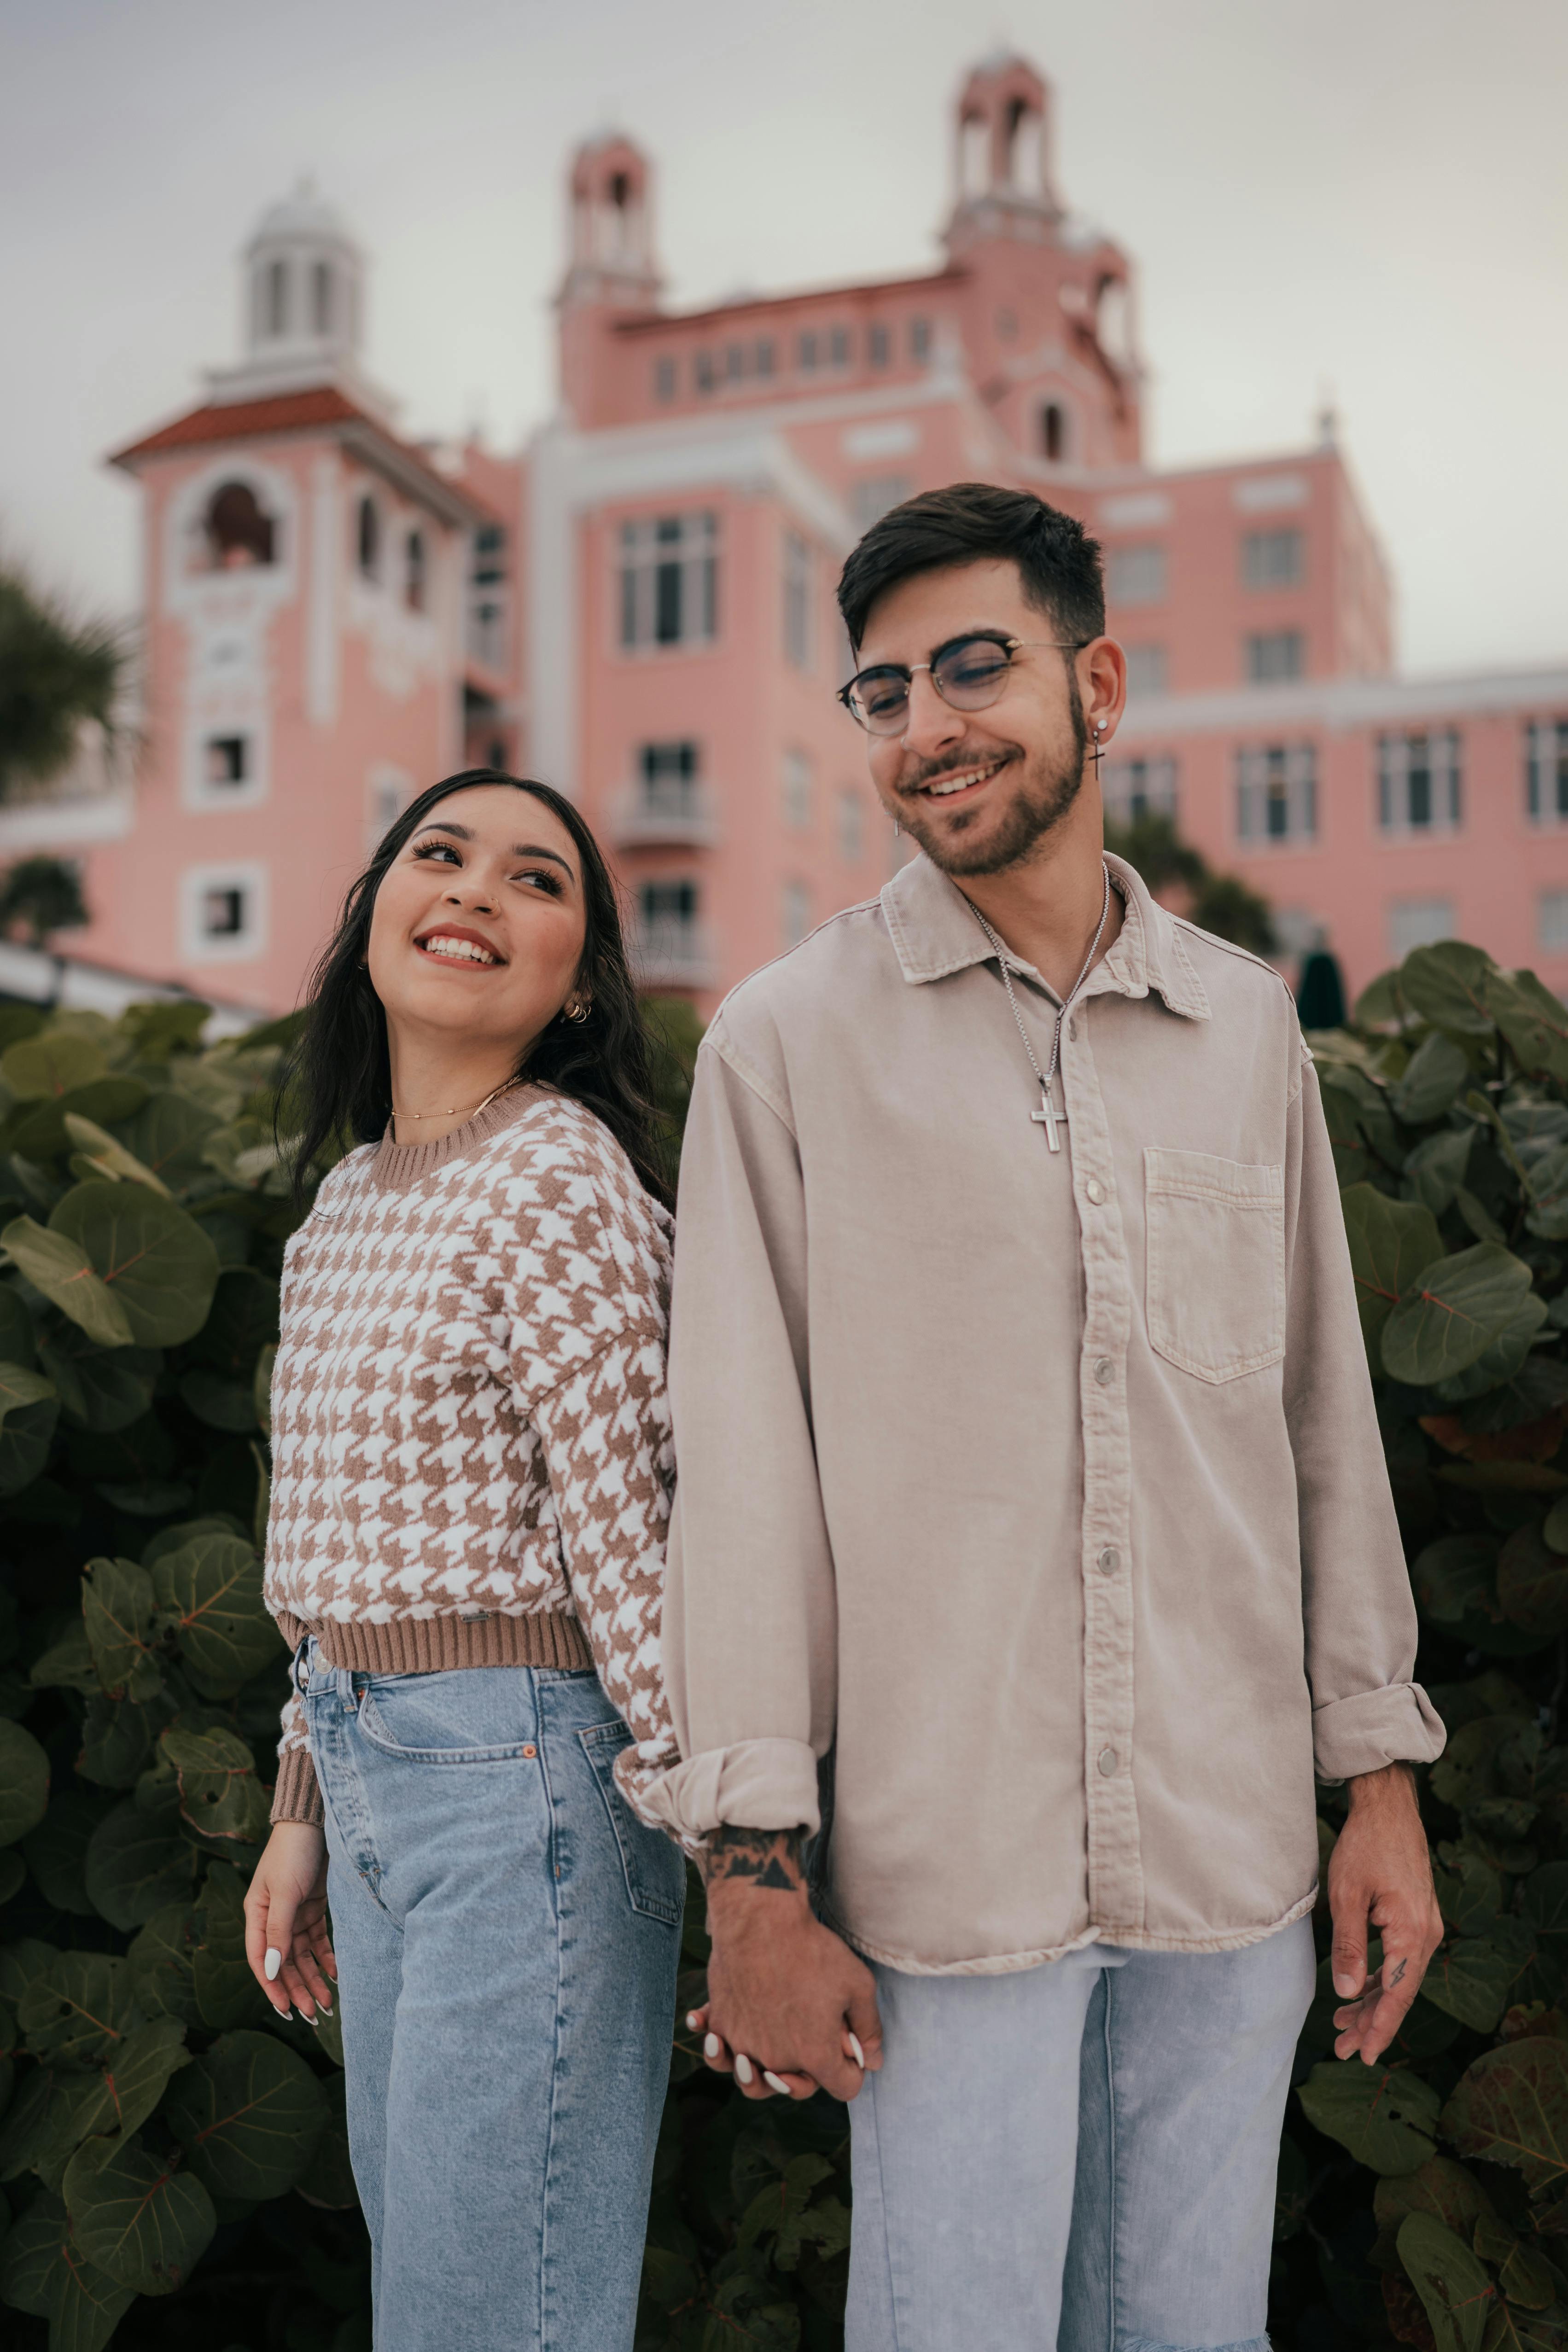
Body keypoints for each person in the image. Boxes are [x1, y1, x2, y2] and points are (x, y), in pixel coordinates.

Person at [646, 487, 1446, 2351]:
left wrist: (1379, 1776)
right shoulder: (782, 1044)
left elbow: (1323, 1420)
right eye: (881, 689)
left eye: (975, 665)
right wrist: (754, 1880)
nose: (927, 724)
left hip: (1230, 1867)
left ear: (1098, 678)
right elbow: (741, 1480)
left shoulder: (1250, 1031)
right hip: (946, 1887)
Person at [242, 770, 686, 2352]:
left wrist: (747, 1864)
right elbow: (328, 1549)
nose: (476, 890)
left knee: (494, 2311)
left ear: (579, 980)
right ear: (372, 911)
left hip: (530, 1794)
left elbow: (638, 1549)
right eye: (439, 855)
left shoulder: (558, 1172)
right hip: (376, 1783)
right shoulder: (343, 1205)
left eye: (536, 878)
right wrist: (304, 1806)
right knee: (440, 2296)